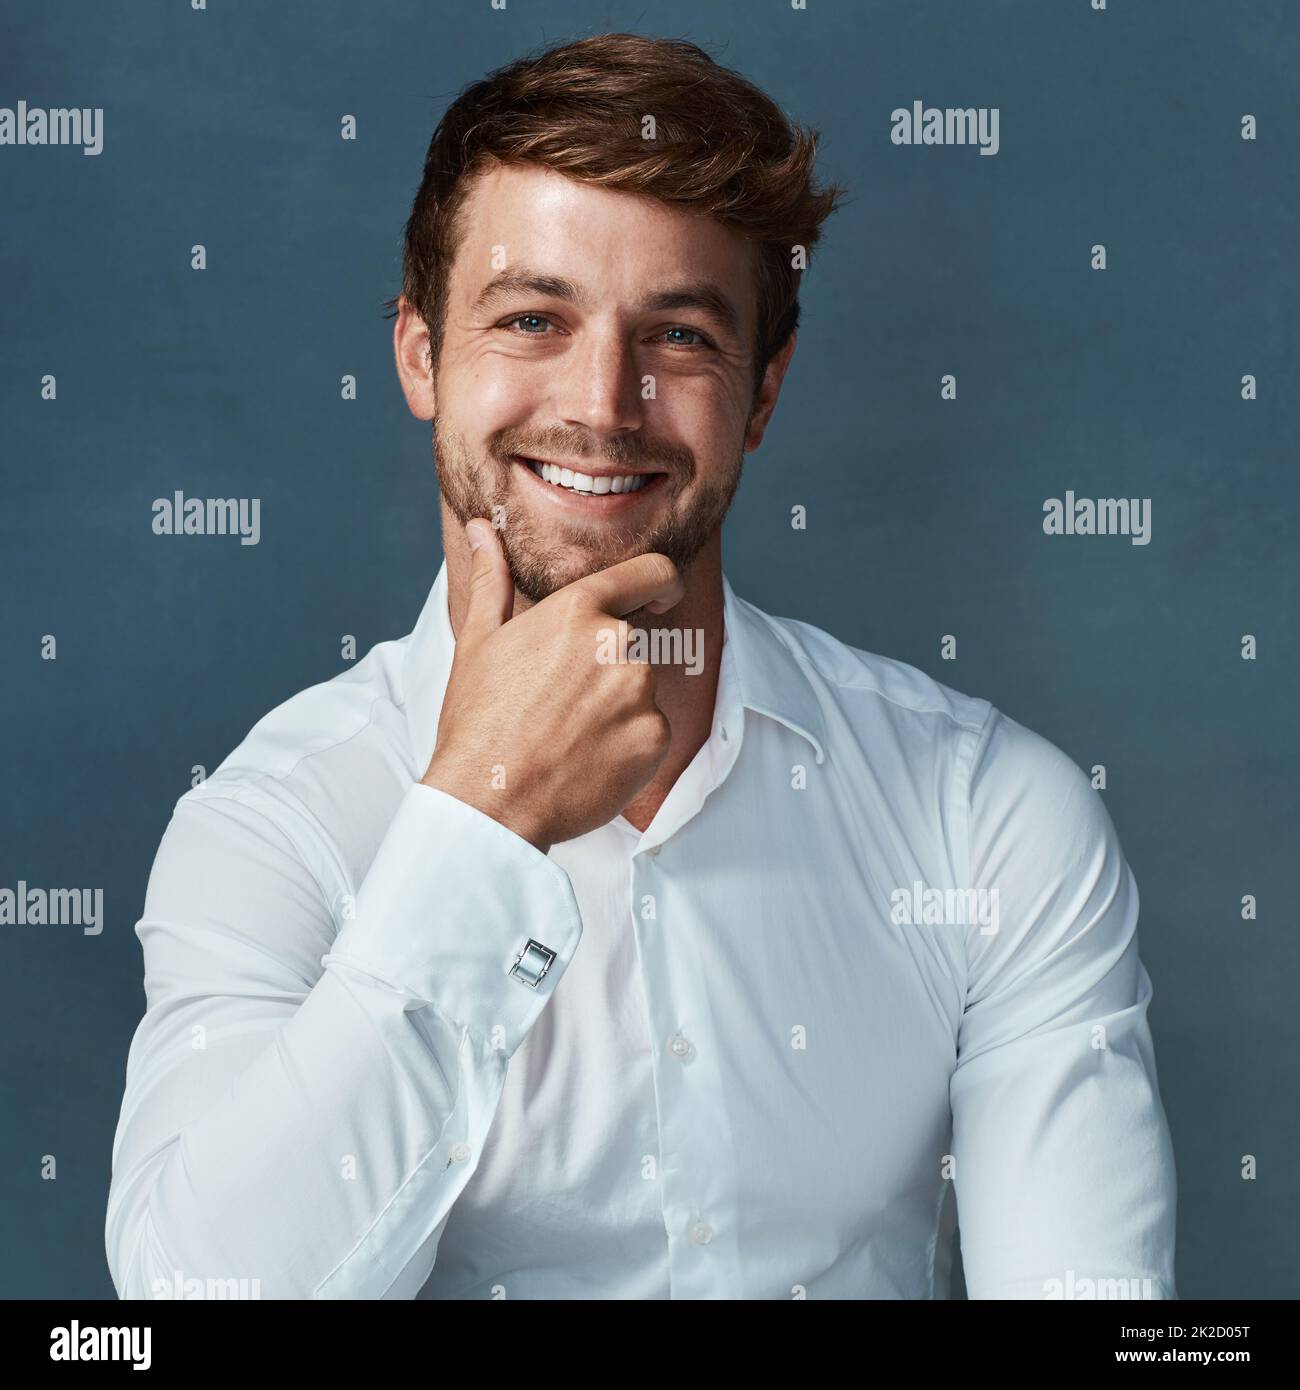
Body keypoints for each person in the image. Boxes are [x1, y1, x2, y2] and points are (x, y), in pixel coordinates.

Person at [105, 32, 1177, 1300]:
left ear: (763, 392)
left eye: (676, 334)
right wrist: (482, 819)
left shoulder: (985, 816)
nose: (603, 404)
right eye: (530, 318)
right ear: (417, 355)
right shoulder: (270, 827)